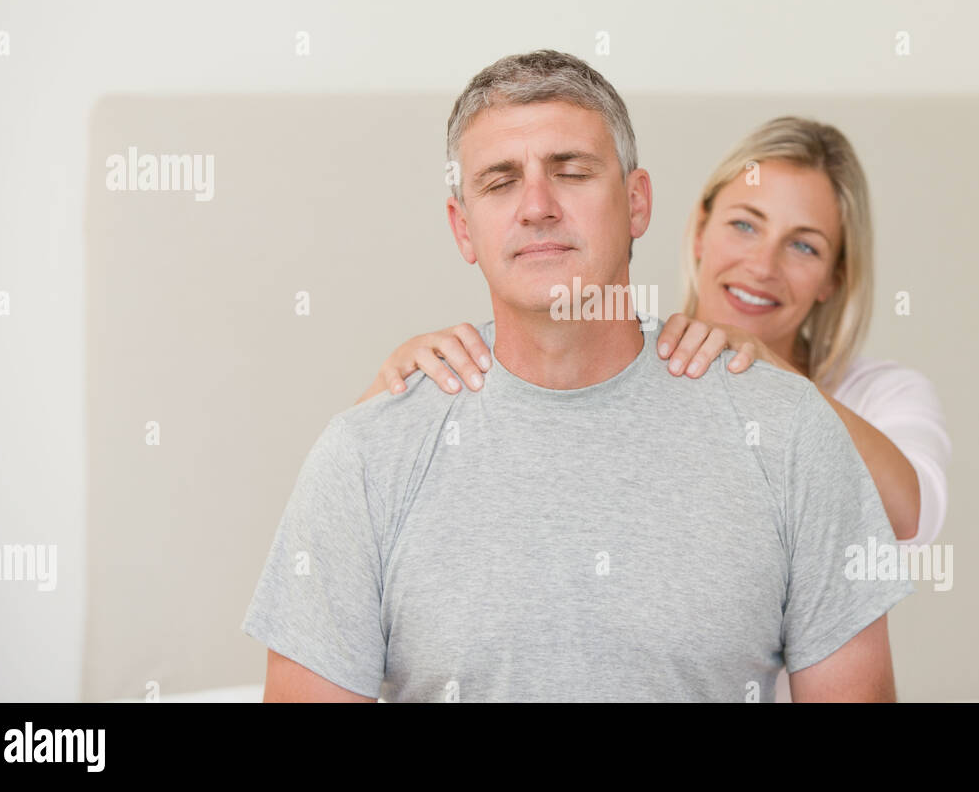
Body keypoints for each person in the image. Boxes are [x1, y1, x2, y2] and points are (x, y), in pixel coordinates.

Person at [243, 49, 914, 702]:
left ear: (637, 203)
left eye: (570, 171)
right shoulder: (363, 456)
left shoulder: (793, 433)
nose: (537, 205)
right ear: (462, 228)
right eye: (500, 181)